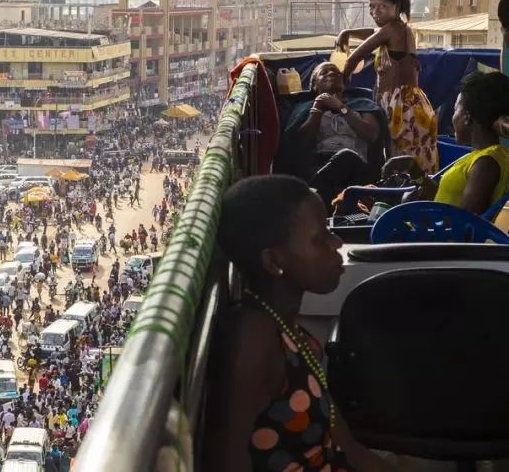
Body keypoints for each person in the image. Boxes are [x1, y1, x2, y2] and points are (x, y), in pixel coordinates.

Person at [205, 175, 398, 471]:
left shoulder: (285, 328)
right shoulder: (252, 341)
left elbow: (350, 449)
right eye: (320, 239)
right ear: (274, 262)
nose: (336, 243)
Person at [337, 0, 438, 174]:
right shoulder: (393, 30)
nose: (376, 12)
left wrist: (342, 81)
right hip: (402, 107)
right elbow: (373, 34)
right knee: (405, 164)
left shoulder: (393, 30)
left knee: (404, 166)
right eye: (372, 7)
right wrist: (347, 33)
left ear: (397, 6)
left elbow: (355, 57)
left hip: (403, 109)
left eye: (382, 7)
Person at [384, 71, 509, 214]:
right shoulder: (484, 157)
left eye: (455, 110)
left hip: (429, 236)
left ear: (467, 117)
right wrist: (415, 170)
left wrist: (411, 209)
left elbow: (464, 224)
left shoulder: (485, 164)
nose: (452, 117)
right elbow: (446, 199)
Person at [284, 61, 387, 209]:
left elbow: (372, 134)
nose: (331, 73)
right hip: (320, 166)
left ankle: (310, 199)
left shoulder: (362, 104)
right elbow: (302, 141)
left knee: (347, 156)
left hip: (358, 167)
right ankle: (337, 207)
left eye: (335, 72)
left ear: (343, 84)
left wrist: (341, 107)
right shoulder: (305, 108)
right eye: (324, 72)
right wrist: (317, 109)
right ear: (314, 85)